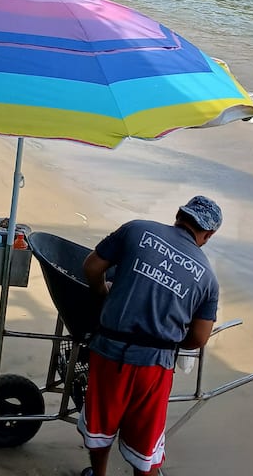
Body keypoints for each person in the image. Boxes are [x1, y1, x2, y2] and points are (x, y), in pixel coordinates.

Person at [77, 196, 222, 476]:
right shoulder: (207, 277)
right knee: (146, 443)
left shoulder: (136, 229)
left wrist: (102, 294)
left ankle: (98, 474)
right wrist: (173, 343)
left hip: (108, 351)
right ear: (209, 235)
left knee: (101, 425)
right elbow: (199, 338)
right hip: (153, 367)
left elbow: (92, 268)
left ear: (180, 214)